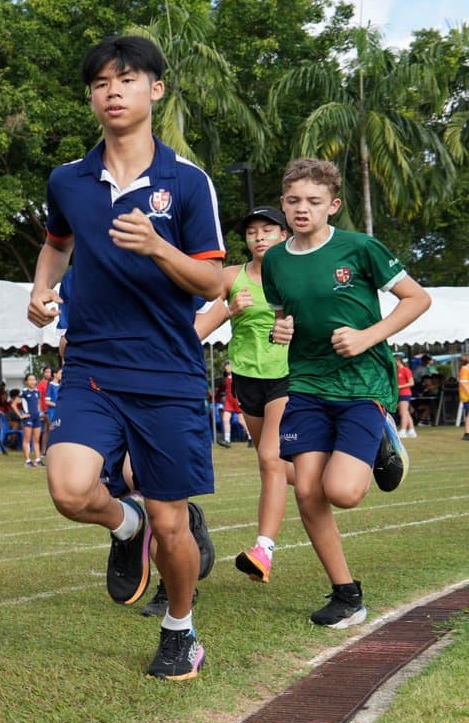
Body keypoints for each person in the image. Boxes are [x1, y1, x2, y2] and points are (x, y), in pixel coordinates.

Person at [26, 34, 224, 682]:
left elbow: (214, 283)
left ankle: (180, 629)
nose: (114, 91)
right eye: (102, 83)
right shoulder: (68, 181)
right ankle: (123, 522)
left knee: (176, 526)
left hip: (167, 373)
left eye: (128, 79)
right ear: (91, 97)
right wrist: (41, 287)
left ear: (155, 90)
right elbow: (57, 243)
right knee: (68, 486)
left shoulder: (188, 184)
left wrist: (158, 249)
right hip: (91, 365)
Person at [265, 157, 432, 629]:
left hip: (362, 382)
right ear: (283, 204)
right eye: (294, 201)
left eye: (314, 202)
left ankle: (386, 439)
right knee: (309, 491)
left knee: (342, 491)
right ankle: (346, 594)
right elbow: (287, 316)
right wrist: (282, 331)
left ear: (332, 205)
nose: (303, 209)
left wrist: (366, 336)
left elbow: (418, 298)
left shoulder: (361, 249)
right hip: (307, 382)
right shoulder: (275, 260)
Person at [193, 204, 295, 583]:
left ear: (284, 235)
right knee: (282, 469)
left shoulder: (298, 274)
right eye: (252, 231)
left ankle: (263, 550)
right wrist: (228, 309)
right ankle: (348, 467)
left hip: (290, 375)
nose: (259, 236)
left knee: (270, 457)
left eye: (268, 229)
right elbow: (195, 331)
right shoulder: (231, 277)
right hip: (247, 380)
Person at [18, 372, 45, 466]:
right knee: (27, 439)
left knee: (37, 439)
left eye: (34, 379)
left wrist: (40, 413)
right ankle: (28, 461)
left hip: (36, 417)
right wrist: (21, 415)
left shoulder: (37, 391)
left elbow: (38, 403)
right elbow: (14, 404)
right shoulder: (24, 392)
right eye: (30, 379)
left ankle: (38, 459)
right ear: (26, 381)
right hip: (28, 418)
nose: (33, 381)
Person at [394, 356, 418, 437]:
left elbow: (411, 383)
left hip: (405, 393)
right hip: (399, 394)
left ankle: (403, 430)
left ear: (398, 361)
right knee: (405, 412)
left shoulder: (406, 370)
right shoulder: (397, 371)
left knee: (403, 412)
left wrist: (399, 387)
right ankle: (411, 430)